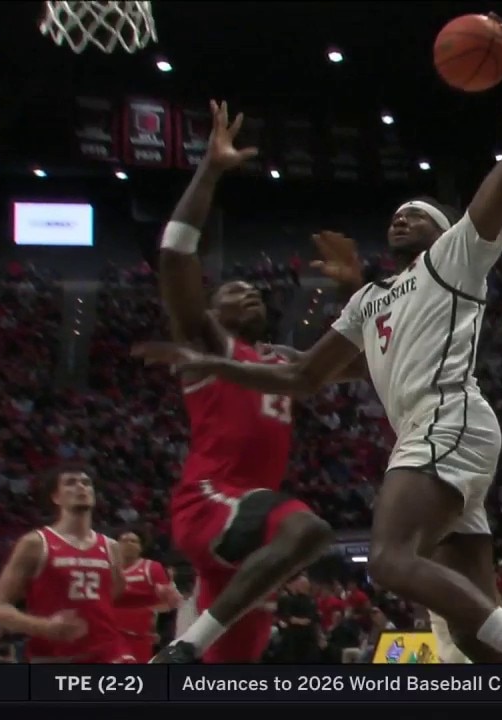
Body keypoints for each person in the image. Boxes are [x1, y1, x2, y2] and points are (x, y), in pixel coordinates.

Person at [136, 19, 502, 665]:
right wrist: (218, 362)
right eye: (396, 213)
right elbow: (304, 378)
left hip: (448, 416)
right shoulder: (369, 299)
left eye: (417, 213)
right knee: (475, 637)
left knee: (391, 560)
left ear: (442, 229)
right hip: (433, 431)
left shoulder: (456, 256)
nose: (401, 216)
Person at [147, 100, 366, 664]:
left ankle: (192, 655)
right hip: (212, 503)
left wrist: (353, 292)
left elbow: (371, 364)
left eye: (254, 291)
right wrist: (210, 169)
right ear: (211, 309)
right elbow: (175, 254)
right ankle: (183, 647)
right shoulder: (208, 343)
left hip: (247, 533)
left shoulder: (283, 359)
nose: (247, 292)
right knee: (311, 532)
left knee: (234, 671)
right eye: (231, 290)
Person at [0, 465, 151, 663]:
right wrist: (43, 626)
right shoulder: (36, 543)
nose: (81, 487)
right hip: (53, 657)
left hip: (106, 653)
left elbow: (112, 594)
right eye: (71, 483)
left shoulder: (111, 547)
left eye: (86, 483)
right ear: (56, 497)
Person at [115, 529, 183, 661]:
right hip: (110, 634)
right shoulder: (107, 568)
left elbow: (169, 604)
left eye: (133, 541)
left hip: (139, 636)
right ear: (115, 545)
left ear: (140, 547)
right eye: (124, 540)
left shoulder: (151, 568)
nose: (128, 544)